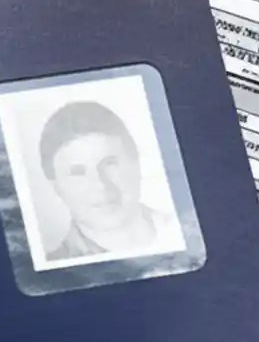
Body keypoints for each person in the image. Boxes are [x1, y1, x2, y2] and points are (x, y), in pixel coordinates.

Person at [36, 100, 177, 261]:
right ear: (56, 187)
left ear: (136, 163)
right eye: (77, 172)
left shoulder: (186, 229)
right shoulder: (54, 275)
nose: (100, 185)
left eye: (109, 163)